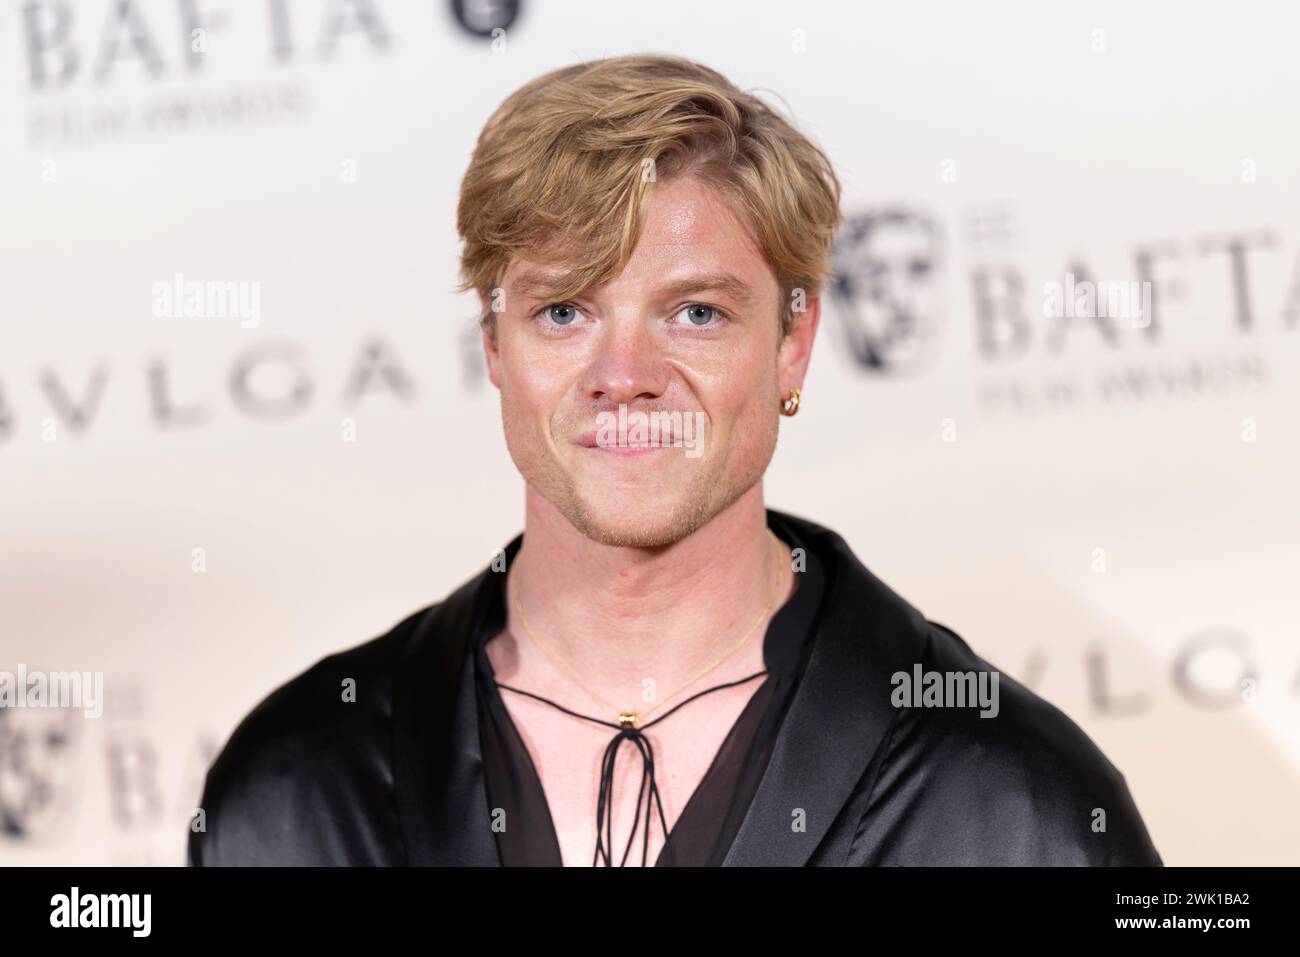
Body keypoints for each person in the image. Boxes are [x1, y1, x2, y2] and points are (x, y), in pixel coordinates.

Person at [188, 53, 1162, 867]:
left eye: (695, 312)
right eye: (563, 312)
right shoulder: (297, 791)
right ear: (494, 346)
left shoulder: (1014, 809)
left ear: (791, 342)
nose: (624, 375)